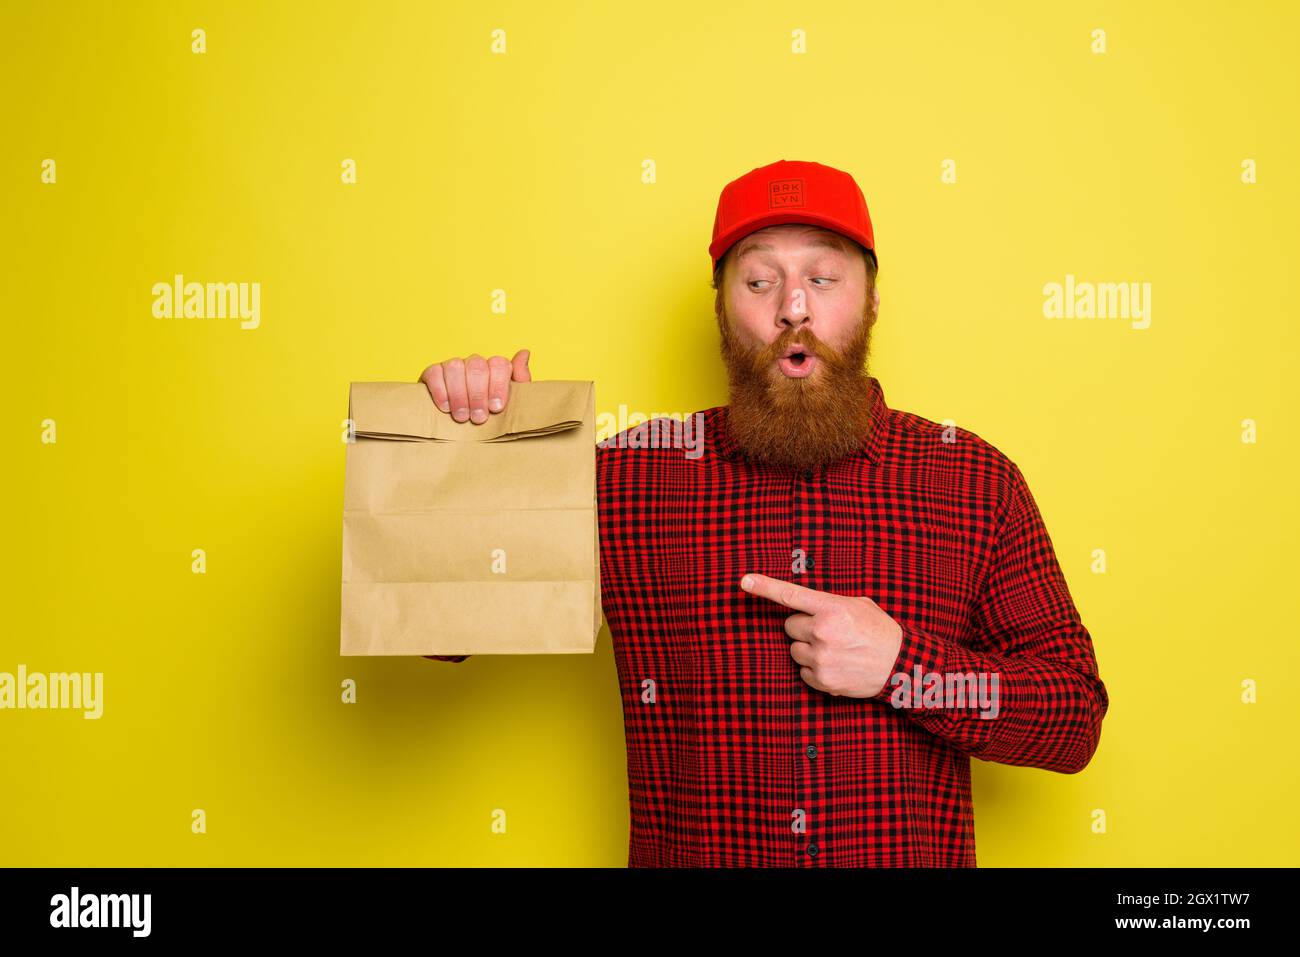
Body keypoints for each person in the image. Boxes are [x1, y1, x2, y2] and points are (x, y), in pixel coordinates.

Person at [417, 159, 1108, 867]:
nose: (794, 307)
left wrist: (906, 666)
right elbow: (439, 627)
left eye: (823, 277)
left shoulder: (972, 480)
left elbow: (1074, 717)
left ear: (871, 301)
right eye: (759, 280)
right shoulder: (626, 478)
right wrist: (481, 450)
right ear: (723, 308)